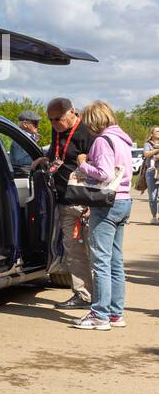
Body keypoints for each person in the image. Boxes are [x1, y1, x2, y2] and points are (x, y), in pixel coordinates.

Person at [71, 102, 132, 330]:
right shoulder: (123, 140)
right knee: (115, 261)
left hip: (107, 203)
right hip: (124, 201)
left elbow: (104, 174)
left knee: (101, 262)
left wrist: (84, 164)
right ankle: (116, 313)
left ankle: (100, 314)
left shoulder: (102, 141)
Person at [46, 97, 96, 310]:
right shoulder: (56, 132)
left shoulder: (88, 133)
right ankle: (83, 295)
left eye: (58, 119)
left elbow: (99, 171)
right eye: (51, 120)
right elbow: (56, 157)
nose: (55, 123)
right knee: (74, 252)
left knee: (95, 252)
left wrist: (91, 203)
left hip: (86, 202)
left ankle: (104, 300)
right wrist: (44, 160)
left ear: (72, 112)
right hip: (64, 201)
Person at [142, 126, 159, 224]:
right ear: (152, 134)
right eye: (157, 131)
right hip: (151, 172)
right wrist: (156, 150)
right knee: (152, 196)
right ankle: (154, 216)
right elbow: (146, 154)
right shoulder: (148, 144)